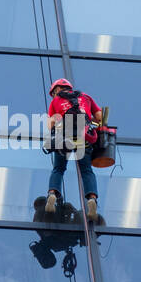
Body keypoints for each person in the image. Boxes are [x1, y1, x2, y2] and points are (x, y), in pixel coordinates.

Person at [43, 78, 103, 221]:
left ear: (57, 90)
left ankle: (52, 194)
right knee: (86, 170)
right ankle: (92, 199)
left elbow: (51, 124)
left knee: (58, 168)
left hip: (65, 135)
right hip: (85, 135)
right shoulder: (85, 97)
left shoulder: (56, 101)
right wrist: (93, 122)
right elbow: (100, 116)